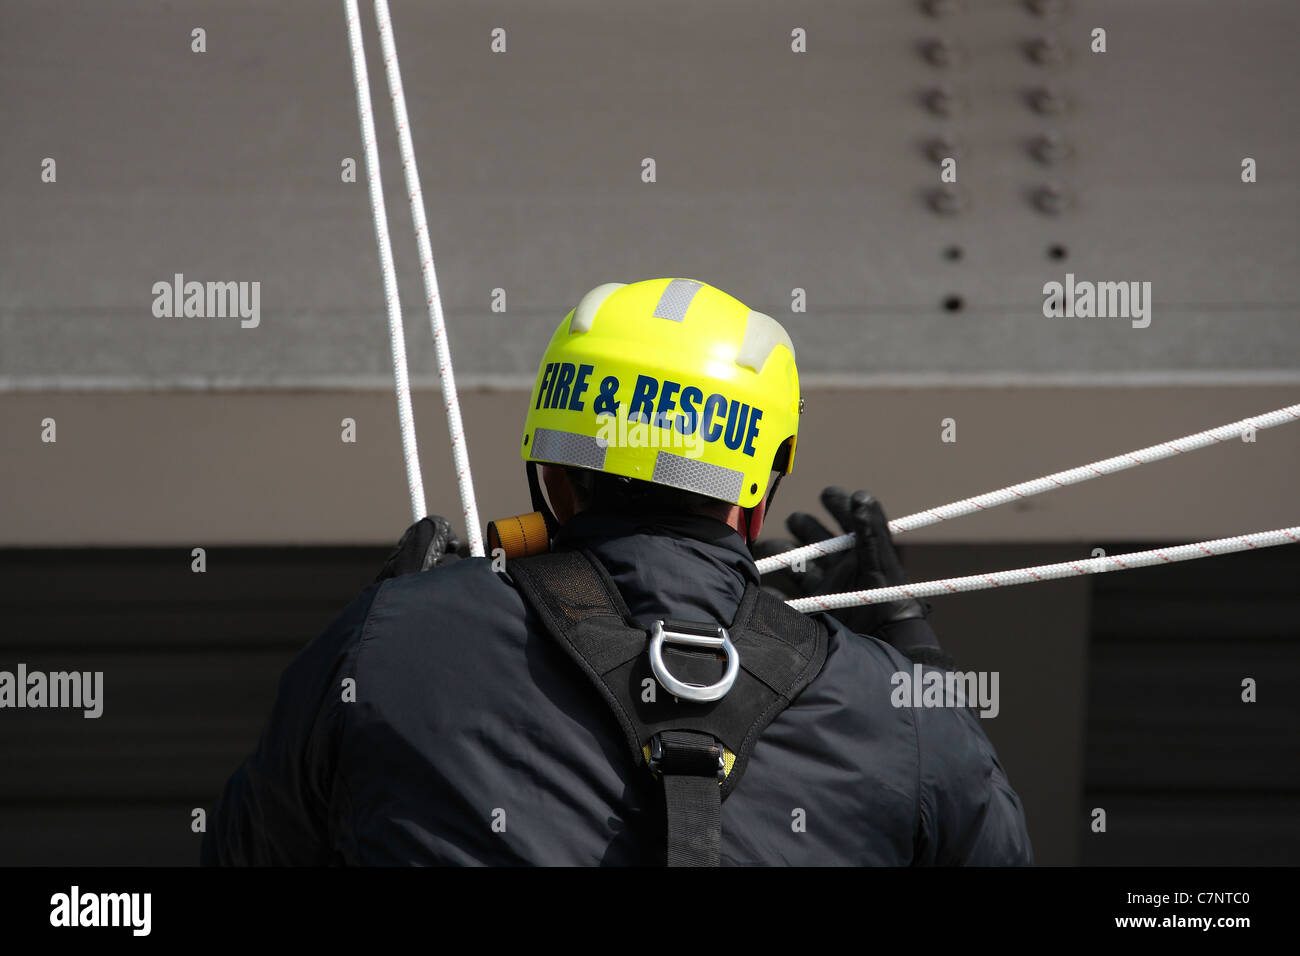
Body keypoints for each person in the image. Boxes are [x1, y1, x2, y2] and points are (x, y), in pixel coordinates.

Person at [201, 278, 1032, 866]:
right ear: (756, 493)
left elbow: (248, 850)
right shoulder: (896, 715)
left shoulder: (394, 645)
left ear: (554, 475)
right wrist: (908, 653)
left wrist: (395, 624)